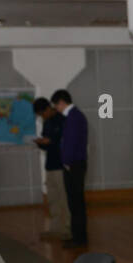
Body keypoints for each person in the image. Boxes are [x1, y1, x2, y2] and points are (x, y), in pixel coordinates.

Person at [51, 89, 88, 248]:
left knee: (76, 202)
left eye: (56, 105)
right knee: (74, 202)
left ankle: (79, 238)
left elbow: (70, 142)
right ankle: (76, 235)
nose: (56, 109)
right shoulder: (74, 116)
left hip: (74, 164)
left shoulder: (73, 117)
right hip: (74, 163)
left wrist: (66, 161)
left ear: (61, 102)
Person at [32, 97, 70, 242]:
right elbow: (47, 143)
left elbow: (63, 141)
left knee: (64, 199)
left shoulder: (62, 119)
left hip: (62, 166)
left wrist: (51, 141)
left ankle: (67, 229)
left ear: (48, 109)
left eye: (42, 114)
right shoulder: (47, 122)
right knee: (53, 199)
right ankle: (56, 229)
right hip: (50, 165)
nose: (42, 117)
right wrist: (41, 143)